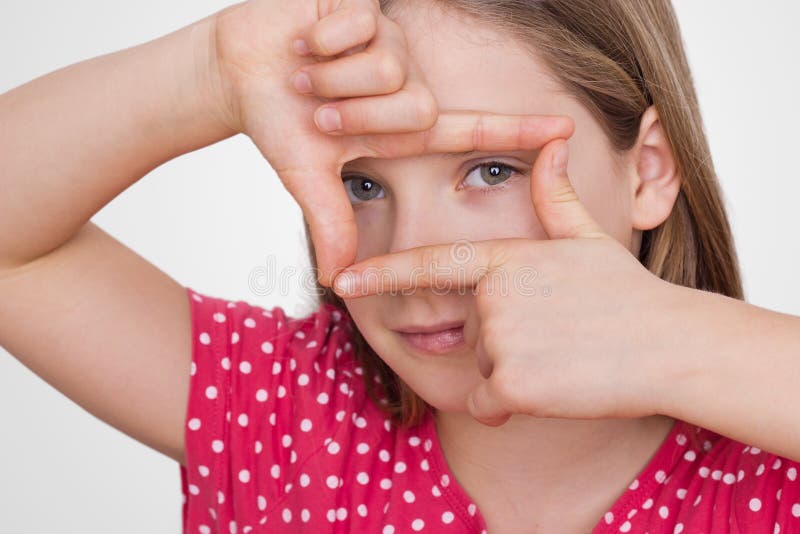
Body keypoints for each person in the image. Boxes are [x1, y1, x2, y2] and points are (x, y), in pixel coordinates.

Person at [0, 0, 798, 533]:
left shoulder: (772, 465)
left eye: (491, 171)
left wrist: (680, 342)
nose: (413, 263)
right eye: (364, 183)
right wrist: (208, 72)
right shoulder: (283, 413)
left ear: (649, 170)